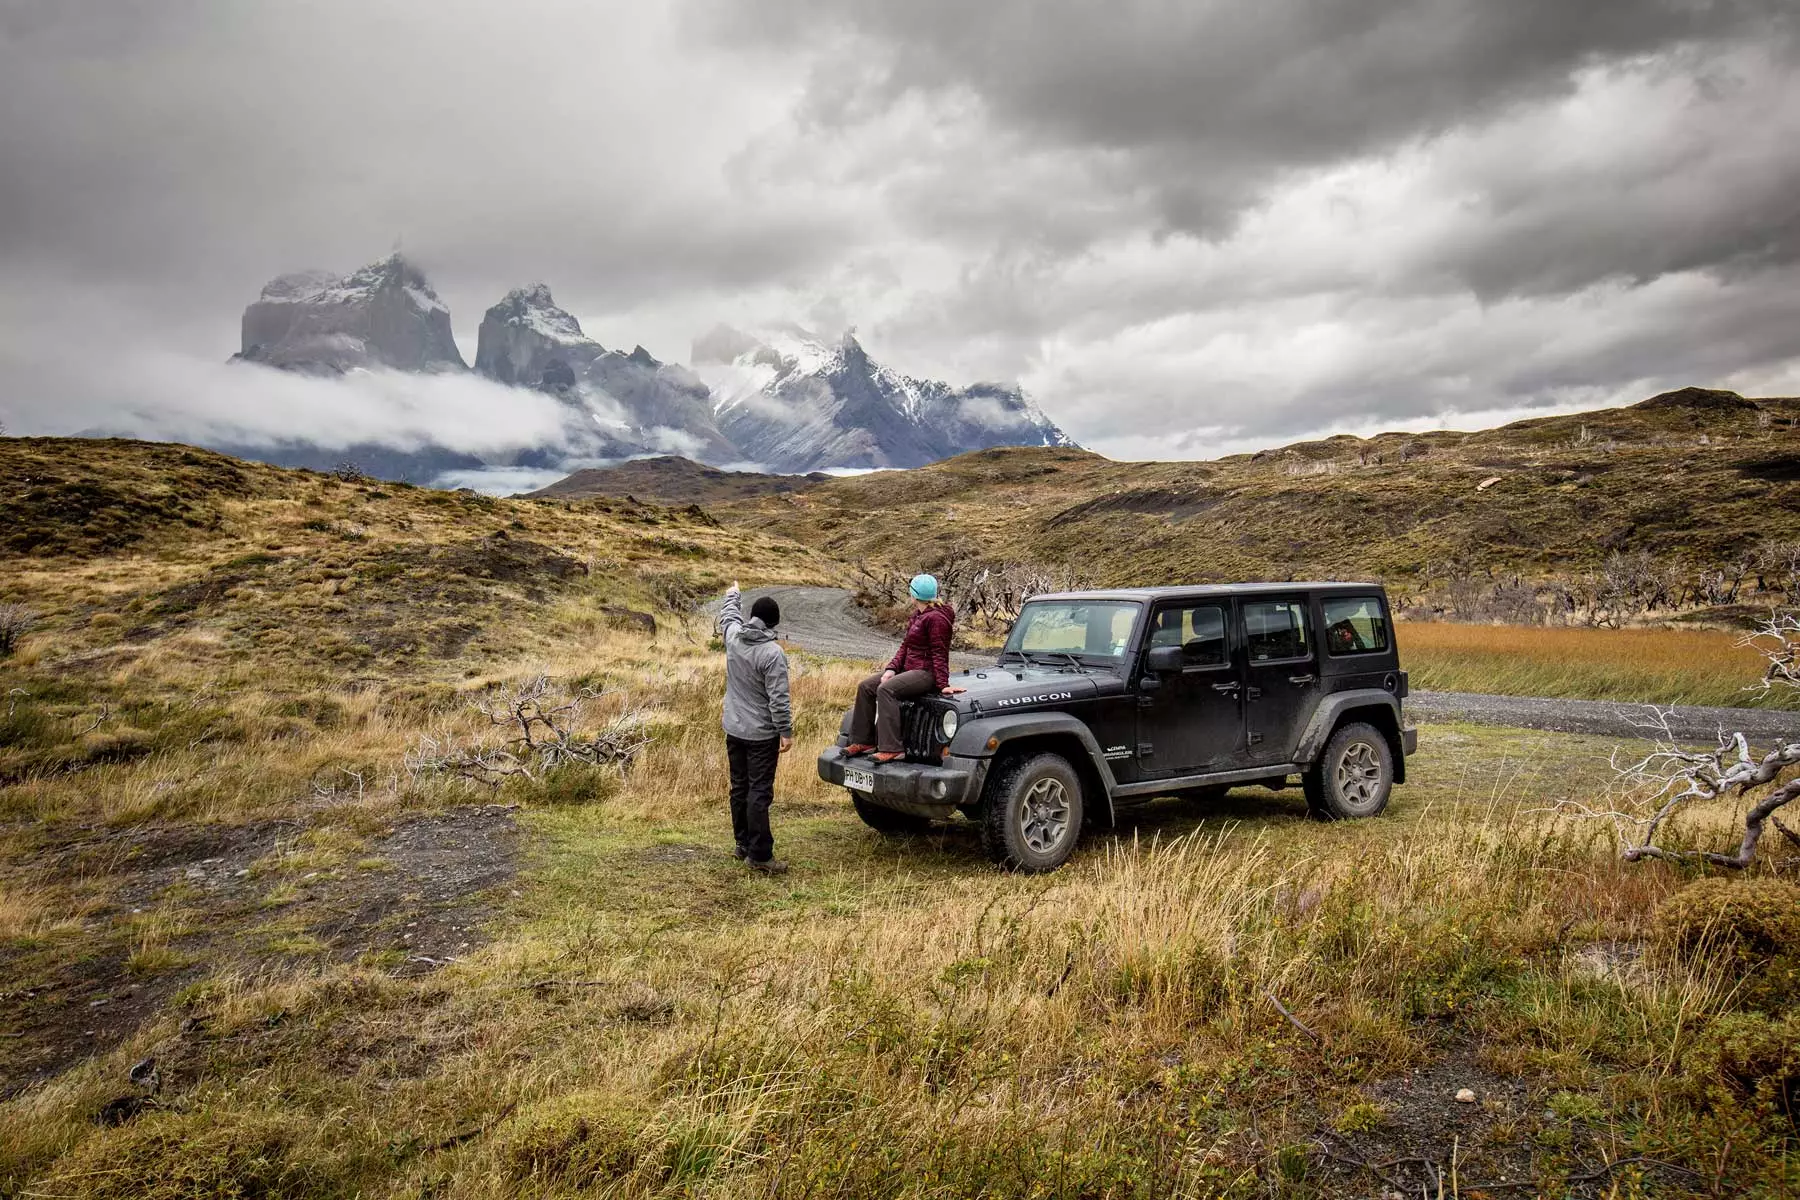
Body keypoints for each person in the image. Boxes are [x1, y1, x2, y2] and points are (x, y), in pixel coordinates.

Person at [845, 574, 964, 763]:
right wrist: (891, 669)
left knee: (886, 690)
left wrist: (943, 684)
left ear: (914, 595)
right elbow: (906, 646)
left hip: (926, 673)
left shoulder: (936, 619)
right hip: (909, 669)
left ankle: (892, 748)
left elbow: (939, 652)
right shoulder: (919, 615)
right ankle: (863, 741)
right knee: (866, 687)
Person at [717, 582, 792, 874]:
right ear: (774, 623)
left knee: (740, 787)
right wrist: (785, 731)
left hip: (734, 728)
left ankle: (743, 844)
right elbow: (779, 698)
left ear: (752, 616)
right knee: (759, 792)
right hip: (762, 734)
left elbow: (728, 617)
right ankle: (760, 856)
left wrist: (732, 594)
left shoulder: (734, 637)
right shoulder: (773, 653)